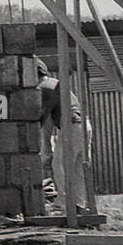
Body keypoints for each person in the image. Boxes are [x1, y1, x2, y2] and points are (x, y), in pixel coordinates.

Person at [35, 58, 92, 214]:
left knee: (59, 165)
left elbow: (45, 120)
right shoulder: (54, 83)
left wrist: (46, 148)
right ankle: (80, 204)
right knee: (78, 167)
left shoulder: (43, 88)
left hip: (71, 127)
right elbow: (50, 120)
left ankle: (65, 203)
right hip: (84, 125)